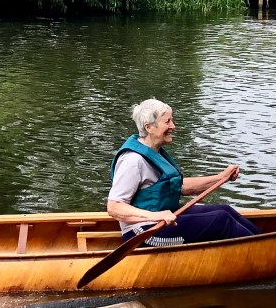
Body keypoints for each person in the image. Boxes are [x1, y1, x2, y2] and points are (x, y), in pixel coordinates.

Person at [107, 99, 261, 246]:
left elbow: (179, 186)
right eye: (167, 122)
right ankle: (264, 252)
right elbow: (114, 207)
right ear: (149, 127)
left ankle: (264, 244)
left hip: (165, 218)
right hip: (144, 232)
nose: (173, 126)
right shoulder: (133, 160)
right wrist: (157, 216)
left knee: (225, 210)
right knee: (222, 220)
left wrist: (221, 178)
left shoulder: (155, 151)